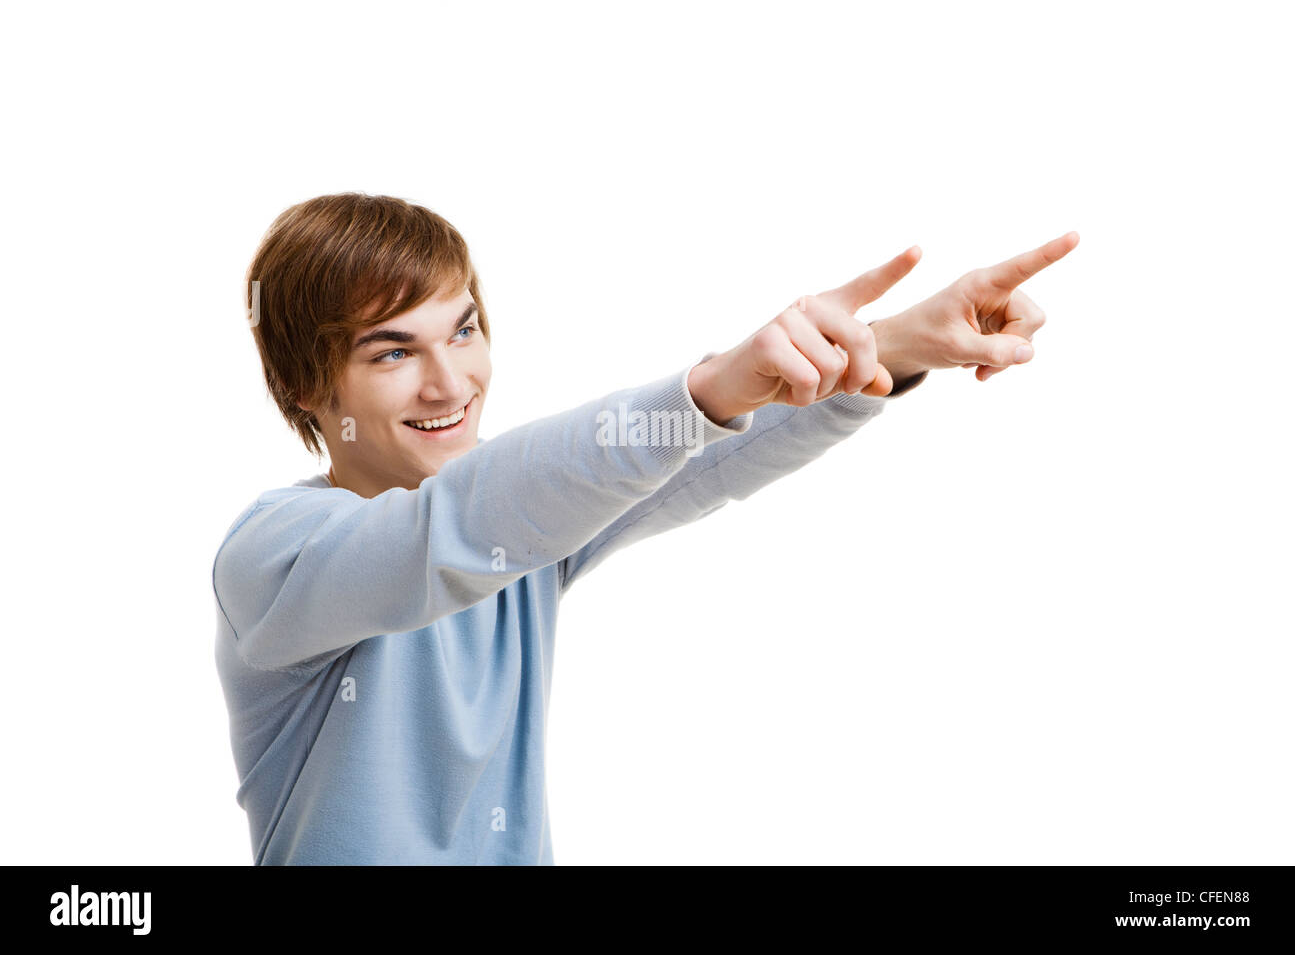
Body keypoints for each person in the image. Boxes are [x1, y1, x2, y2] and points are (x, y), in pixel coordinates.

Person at [213, 192, 1078, 864]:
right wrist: (710, 386)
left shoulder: (525, 531)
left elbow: (693, 461)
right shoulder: (277, 554)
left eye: (464, 330)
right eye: (393, 352)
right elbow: (445, 534)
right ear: (304, 386)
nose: (452, 383)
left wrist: (892, 348)